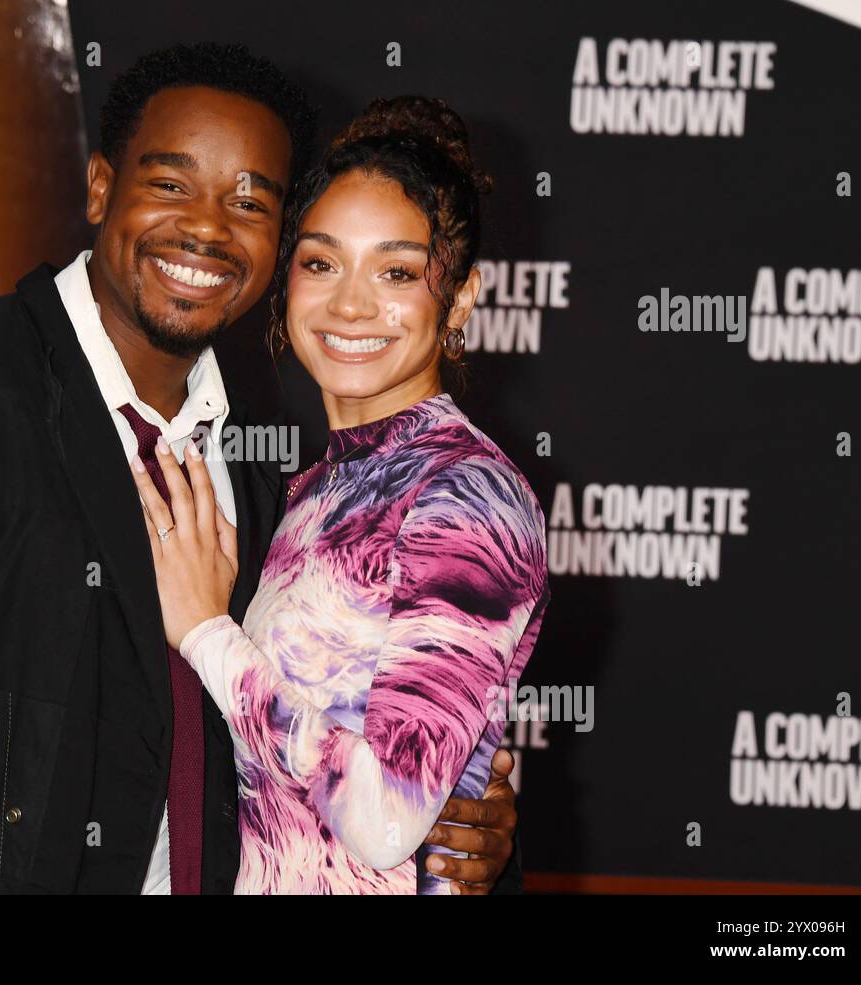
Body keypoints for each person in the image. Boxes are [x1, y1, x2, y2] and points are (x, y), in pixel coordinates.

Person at [0, 43, 520, 895]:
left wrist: (464, 820)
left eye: (249, 201)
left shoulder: (267, 470)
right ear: (102, 187)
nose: (207, 227)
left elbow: (326, 757)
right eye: (171, 183)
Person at [128, 94, 550, 893]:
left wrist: (207, 631)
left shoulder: (470, 494)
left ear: (459, 297)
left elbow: (385, 818)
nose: (351, 303)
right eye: (321, 261)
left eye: (396, 271)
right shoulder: (308, 491)